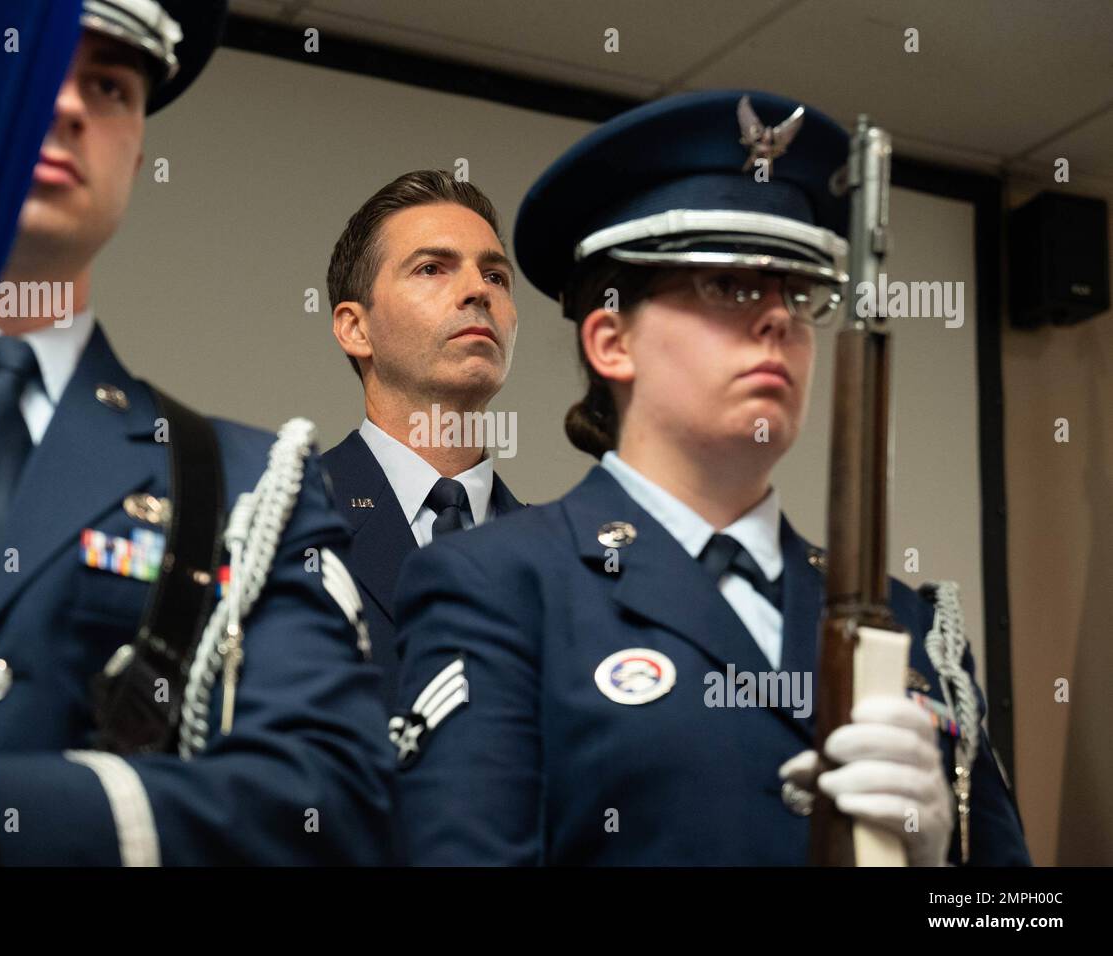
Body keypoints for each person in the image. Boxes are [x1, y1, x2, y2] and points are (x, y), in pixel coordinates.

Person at [0, 0, 392, 866]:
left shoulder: (243, 485)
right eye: (28, 69)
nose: (70, 106)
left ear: (138, 152)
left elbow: (329, 801)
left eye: (110, 86)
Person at [390, 89, 1031, 865]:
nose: (778, 319)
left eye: (798, 292)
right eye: (729, 287)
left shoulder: (910, 627)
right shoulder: (499, 585)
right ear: (611, 341)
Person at [323, 170, 524, 709]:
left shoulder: (564, 560)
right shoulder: (288, 526)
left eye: (497, 277)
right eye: (432, 269)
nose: (478, 290)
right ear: (355, 328)